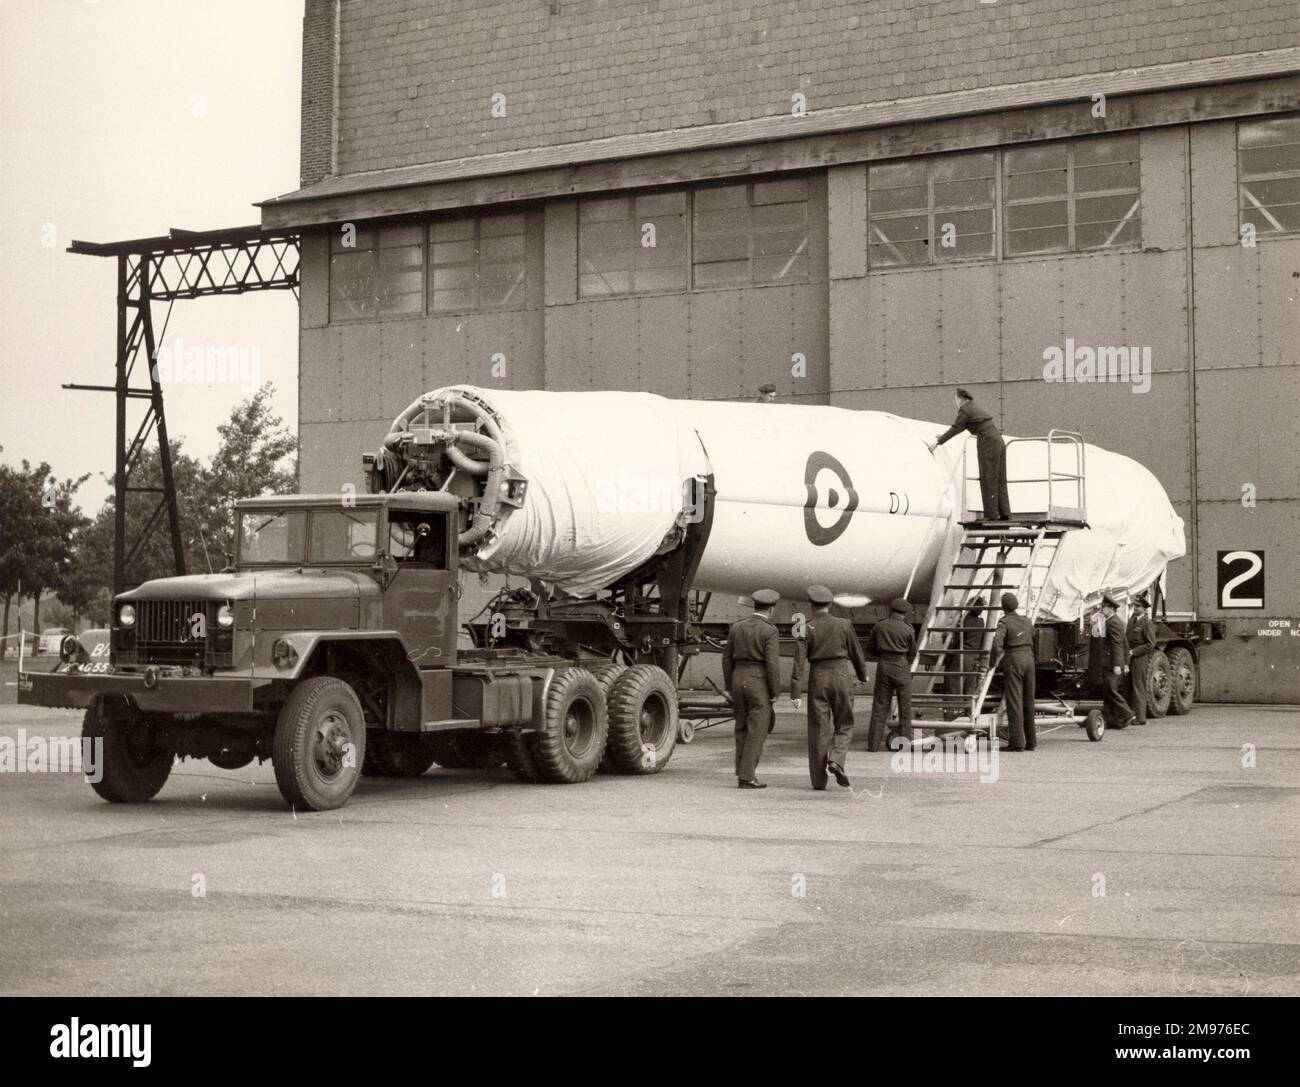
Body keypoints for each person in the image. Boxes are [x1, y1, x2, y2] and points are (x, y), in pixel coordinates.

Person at [791, 585, 868, 790]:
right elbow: (856, 653)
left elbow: (798, 662)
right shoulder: (844, 624)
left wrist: (796, 692)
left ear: (811, 605)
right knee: (845, 722)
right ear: (830, 603)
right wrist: (862, 675)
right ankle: (836, 760)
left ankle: (818, 781)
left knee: (818, 729)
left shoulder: (803, 627)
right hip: (842, 675)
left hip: (817, 677)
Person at [722, 588, 782, 788]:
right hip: (758, 681)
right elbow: (772, 664)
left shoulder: (736, 627)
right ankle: (747, 776)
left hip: (738, 678)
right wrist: (774, 692)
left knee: (741, 726)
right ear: (771, 609)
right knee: (757, 730)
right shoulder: (769, 630)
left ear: (754, 605)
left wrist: (729, 686)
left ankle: (741, 770)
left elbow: (726, 659)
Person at [926, 388, 1012, 521]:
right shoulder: (973, 407)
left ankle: (991, 515)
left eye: (955, 399)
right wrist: (942, 436)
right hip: (998, 440)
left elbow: (956, 428)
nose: (956, 403)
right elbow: (959, 427)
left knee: (988, 477)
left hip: (987, 441)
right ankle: (1004, 513)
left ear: (960, 399)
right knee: (999, 478)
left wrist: (938, 442)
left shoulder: (965, 410)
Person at [866, 598, 916, 751]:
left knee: (880, 706)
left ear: (891, 610)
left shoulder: (879, 626)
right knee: (905, 708)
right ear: (905, 613)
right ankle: (904, 743)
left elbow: (870, 648)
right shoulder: (908, 629)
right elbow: (912, 652)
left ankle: (873, 745)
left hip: (884, 665)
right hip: (901, 665)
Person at [991, 592, 1036, 751]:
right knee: (1028, 700)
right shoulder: (1027, 621)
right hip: (1029, 658)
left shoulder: (1004, 622)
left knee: (1014, 700)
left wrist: (992, 663)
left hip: (1014, 658)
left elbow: (997, 644)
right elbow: (1034, 636)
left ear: (1003, 607)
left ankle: (1017, 743)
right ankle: (1031, 741)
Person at [1100, 594, 1137, 729]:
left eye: (1103, 607)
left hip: (1111, 663)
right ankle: (1112, 720)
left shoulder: (1113, 622)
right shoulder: (1115, 621)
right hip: (1111, 662)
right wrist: (1125, 662)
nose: (1101, 609)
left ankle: (1127, 713)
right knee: (1108, 691)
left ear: (1110, 608)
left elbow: (1117, 644)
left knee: (1111, 691)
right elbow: (1125, 643)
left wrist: (1117, 664)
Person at [1126, 593, 1156, 726]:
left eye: (1138, 606)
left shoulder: (1147, 623)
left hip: (1139, 658)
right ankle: (1130, 715)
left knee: (1138, 687)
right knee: (1128, 687)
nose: (1136, 608)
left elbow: (1150, 644)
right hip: (1129, 657)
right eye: (1135, 606)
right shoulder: (1132, 620)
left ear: (1144, 609)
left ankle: (1140, 717)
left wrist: (1134, 651)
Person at [961, 595, 987, 698]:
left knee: (954, 685)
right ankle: (969, 710)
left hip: (962, 655)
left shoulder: (963, 621)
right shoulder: (981, 622)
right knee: (970, 687)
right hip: (974, 657)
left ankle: (952, 711)